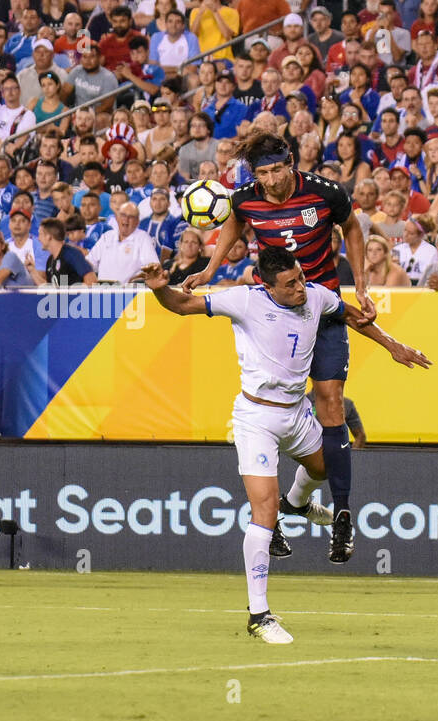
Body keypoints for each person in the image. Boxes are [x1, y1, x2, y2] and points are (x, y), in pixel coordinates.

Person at [183, 131, 432, 563]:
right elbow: (234, 224)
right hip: (274, 310)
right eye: (263, 172)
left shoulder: (325, 192)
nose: (272, 180)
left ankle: (342, 516)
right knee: (271, 402)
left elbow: (353, 229)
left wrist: (363, 287)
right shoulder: (244, 199)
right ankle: (287, 507)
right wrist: (209, 269)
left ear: (292, 162)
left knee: (330, 401)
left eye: (278, 169)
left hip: (323, 304)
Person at [138, 249, 340, 644]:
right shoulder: (243, 299)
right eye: (290, 284)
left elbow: (348, 313)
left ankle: (296, 504)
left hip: (297, 413)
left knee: (326, 466)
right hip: (256, 419)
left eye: (300, 277)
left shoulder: (316, 294)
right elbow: (182, 305)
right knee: (263, 509)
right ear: (267, 286)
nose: (300, 287)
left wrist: (389, 342)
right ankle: (259, 615)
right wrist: (161, 288)